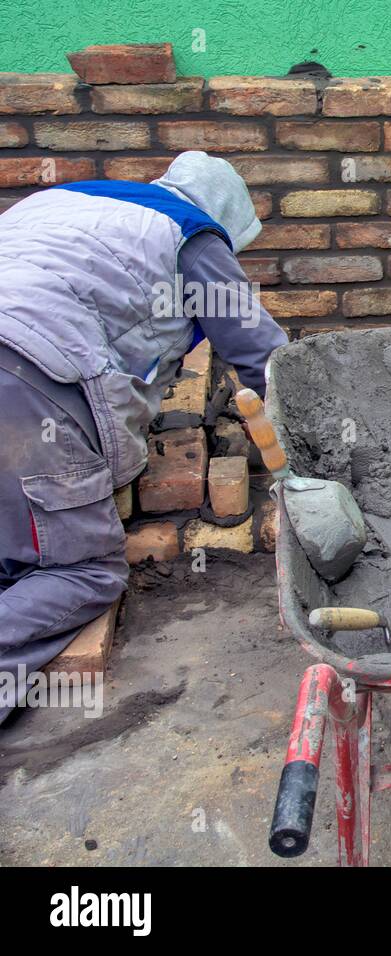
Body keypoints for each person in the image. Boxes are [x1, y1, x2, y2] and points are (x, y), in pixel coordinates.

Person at [0, 151, 287, 720]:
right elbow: (263, 358)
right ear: (226, 220)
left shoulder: (71, 202)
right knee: (80, 569)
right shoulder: (194, 237)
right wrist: (308, 451)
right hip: (23, 375)